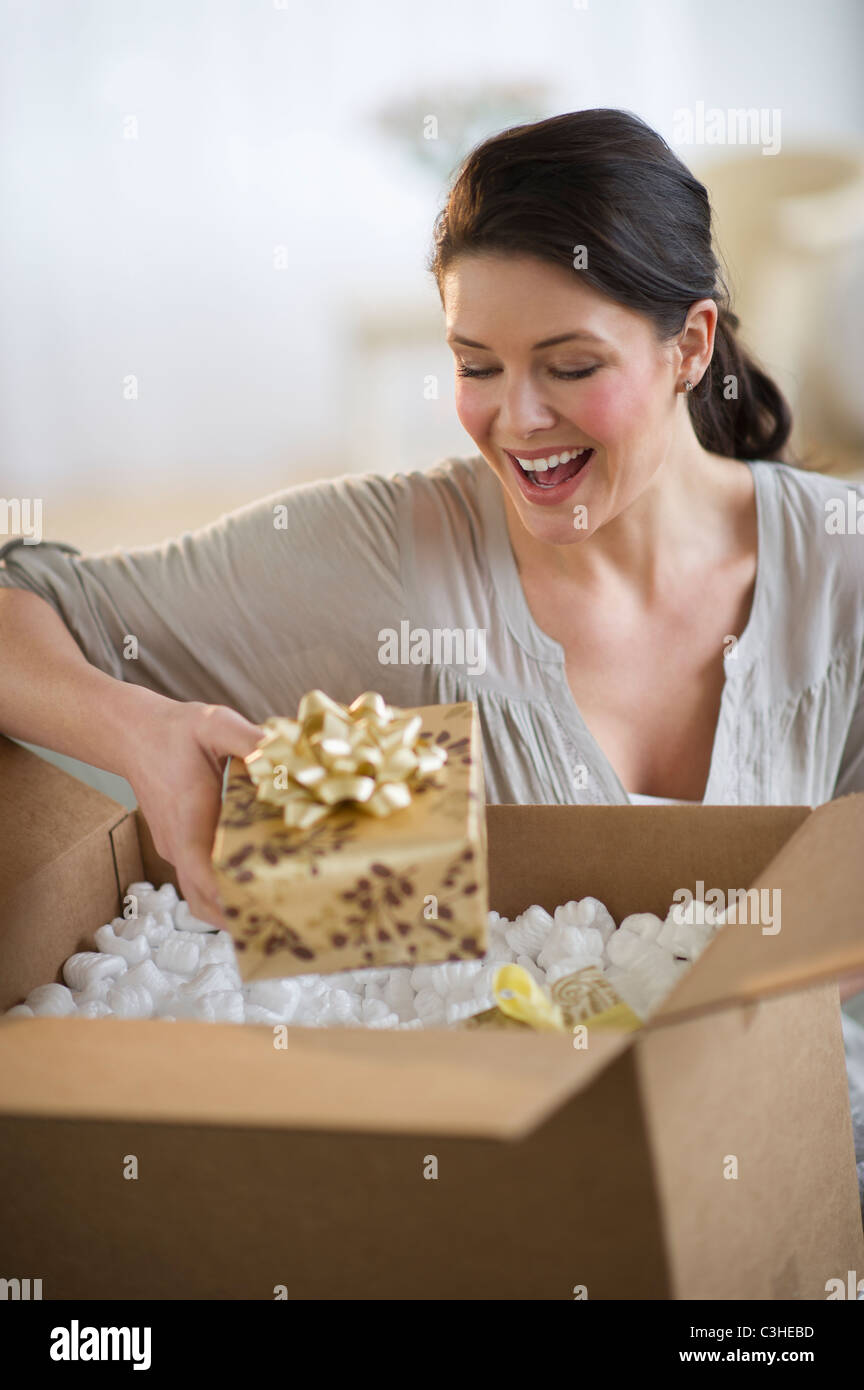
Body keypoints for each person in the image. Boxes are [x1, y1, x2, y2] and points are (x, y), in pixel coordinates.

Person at [1, 108, 862, 943]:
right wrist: (138, 730)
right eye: (475, 365)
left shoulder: (840, 558)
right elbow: (20, 589)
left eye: (570, 366)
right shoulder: (391, 551)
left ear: (691, 347)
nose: (518, 419)